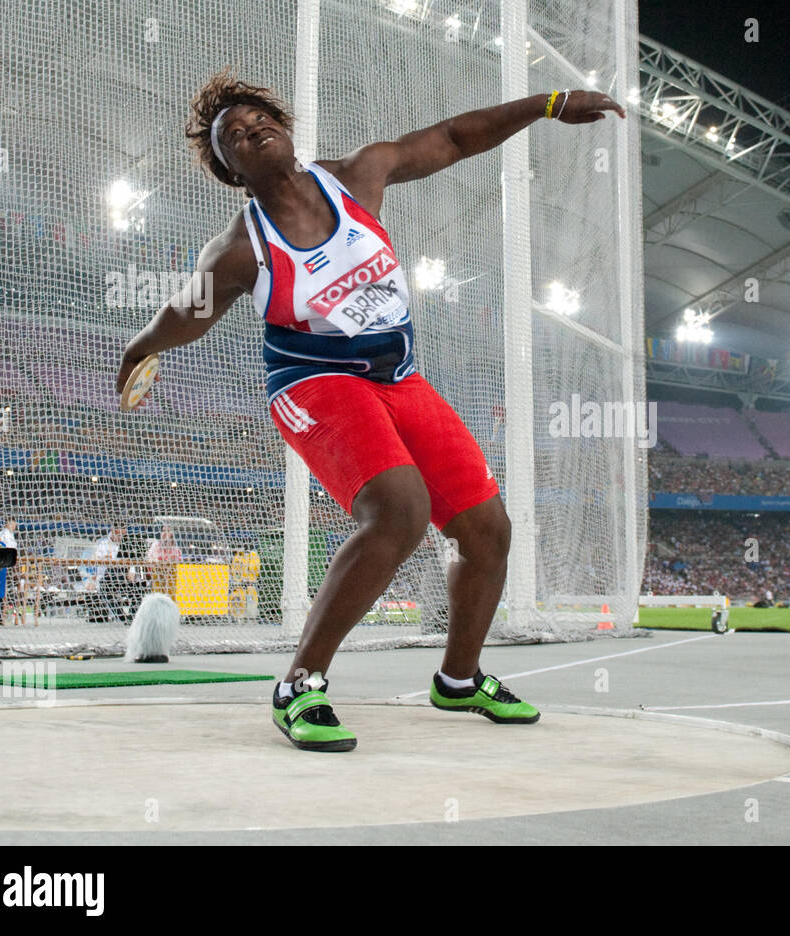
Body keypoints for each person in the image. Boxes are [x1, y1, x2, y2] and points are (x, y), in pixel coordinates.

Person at [116, 70, 625, 752]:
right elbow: (185, 314)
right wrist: (139, 348)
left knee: (488, 532)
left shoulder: (358, 177)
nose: (250, 131)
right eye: (233, 137)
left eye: (258, 120)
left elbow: (451, 137)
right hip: (313, 382)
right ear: (231, 170)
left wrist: (548, 104)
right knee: (401, 509)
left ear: (286, 129)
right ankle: (300, 683)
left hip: (399, 376)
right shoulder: (241, 251)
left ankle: (460, 678)